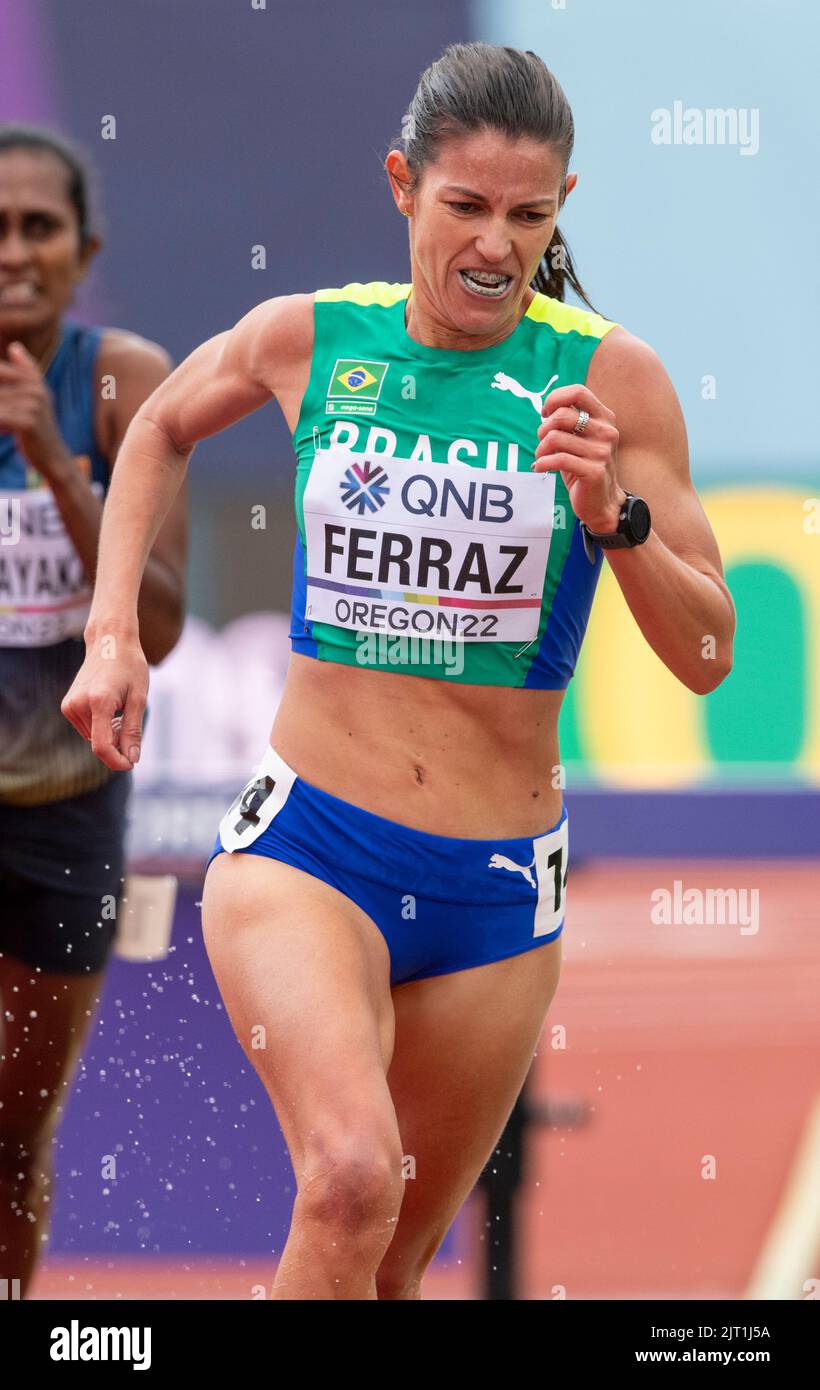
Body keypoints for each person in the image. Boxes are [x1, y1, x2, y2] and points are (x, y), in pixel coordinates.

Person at [61, 43, 735, 1300]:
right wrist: (110, 634)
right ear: (400, 186)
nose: (495, 245)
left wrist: (613, 519)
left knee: (391, 1267)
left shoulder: (609, 379)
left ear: (562, 210)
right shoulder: (310, 338)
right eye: (464, 206)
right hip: (309, 848)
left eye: (528, 216)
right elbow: (151, 425)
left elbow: (705, 655)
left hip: (495, 888)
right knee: (351, 1180)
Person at [0, 125, 187, 1296]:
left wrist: (52, 457)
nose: (15, 251)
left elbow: (160, 625)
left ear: (85, 249)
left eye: (39, 227)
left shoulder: (120, 380)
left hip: (66, 809)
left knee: (13, 1138)